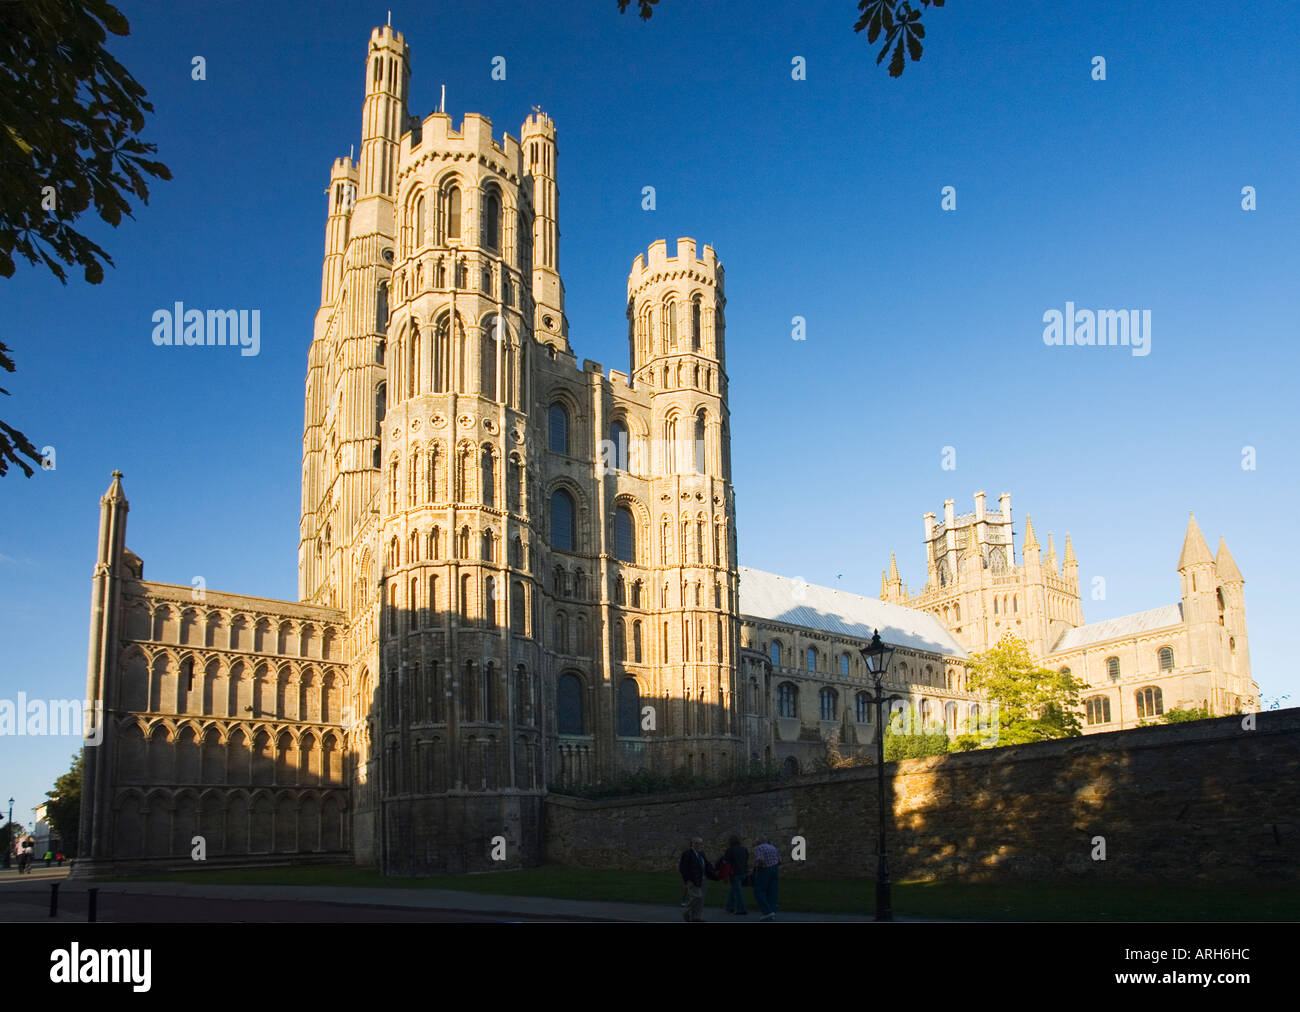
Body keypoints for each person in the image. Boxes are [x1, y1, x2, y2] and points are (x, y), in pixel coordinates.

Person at [677, 836, 716, 922]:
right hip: (693, 880)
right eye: (696, 843)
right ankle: (686, 912)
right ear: (692, 843)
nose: (698, 845)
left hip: (703, 879)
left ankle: (696, 917)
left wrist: (715, 873)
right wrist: (687, 880)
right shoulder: (687, 853)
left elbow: (706, 865)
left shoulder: (701, 854)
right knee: (696, 897)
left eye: (700, 843)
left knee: (701, 900)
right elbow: (683, 868)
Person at [752, 834, 781, 921]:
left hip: (765, 869)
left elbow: (760, 860)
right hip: (775, 869)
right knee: (772, 891)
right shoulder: (773, 847)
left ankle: (767, 911)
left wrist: (758, 868)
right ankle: (772, 911)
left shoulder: (759, 848)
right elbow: (779, 860)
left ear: (759, 841)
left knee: (758, 890)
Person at [722, 835, 749, 915]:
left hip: (735, 872)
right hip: (743, 872)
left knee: (738, 891)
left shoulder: (730, 850)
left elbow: (725, 860)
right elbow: (746, 858)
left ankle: (741, 909)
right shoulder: (744, 849)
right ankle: (729, 906)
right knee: (734, 889)